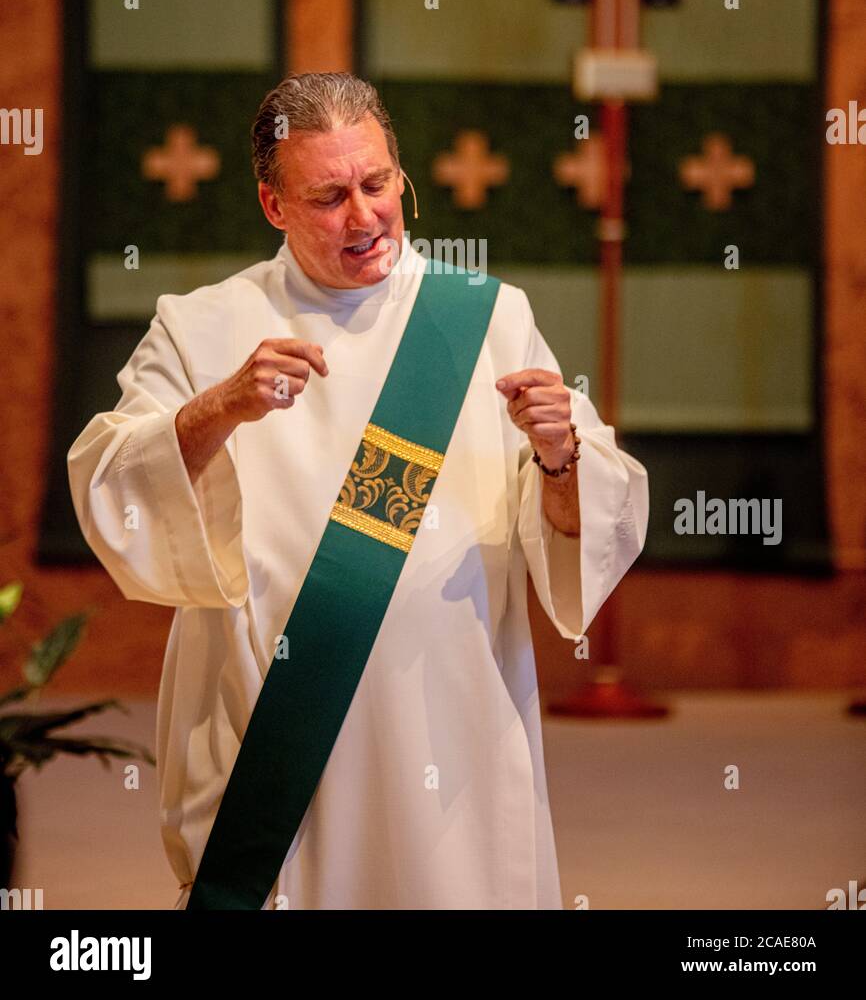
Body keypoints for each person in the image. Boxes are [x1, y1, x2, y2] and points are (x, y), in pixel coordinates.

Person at [67, 71, 649, 910]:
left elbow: (577, 524)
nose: (366, 215)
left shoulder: (483, 316)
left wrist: (562, 457)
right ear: (273, 206)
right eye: (329, 195)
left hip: (453, 729)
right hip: (272, 736)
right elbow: (114, 491)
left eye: (378, 184)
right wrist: (219, 407)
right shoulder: (201, 327)